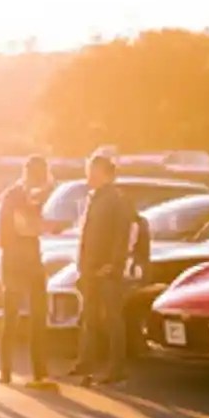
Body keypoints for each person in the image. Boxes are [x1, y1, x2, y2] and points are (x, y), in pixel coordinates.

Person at [74, 154, 135, 386]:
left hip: (107, 270)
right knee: (89, 317)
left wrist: (113, 264)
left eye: (92, 171)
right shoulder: (93, 198)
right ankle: (86, 363)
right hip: (90, 268)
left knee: (112, 319)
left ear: (104, 173)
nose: (88, 175)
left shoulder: (116, 199)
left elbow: (123, 234)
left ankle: (116, 367)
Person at [0, 156, 53, 387]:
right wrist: (43, 224)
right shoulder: (15, 196)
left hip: (26, 260)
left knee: (36, 316)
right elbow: (26, 227)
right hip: (16, 261)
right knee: (13, 316)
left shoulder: (32, 196)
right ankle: (7, 371)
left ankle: (37, 371)